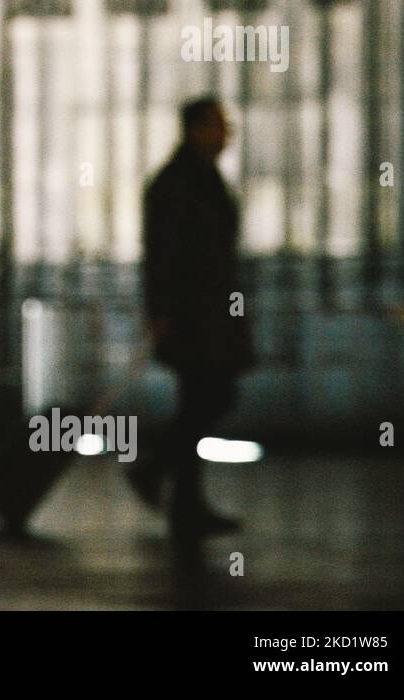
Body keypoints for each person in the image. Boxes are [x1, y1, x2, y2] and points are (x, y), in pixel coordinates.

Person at [130, 96, 255, 540]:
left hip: (208, 311)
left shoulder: (199, 178)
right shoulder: (178, 183)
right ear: (197, 128)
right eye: (220, 125)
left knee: (205, 399)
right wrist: (162, 310)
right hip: (191, 314)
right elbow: (162, 254)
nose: (227, 134)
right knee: (206, 397)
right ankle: (167, 483)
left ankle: (178, 494)